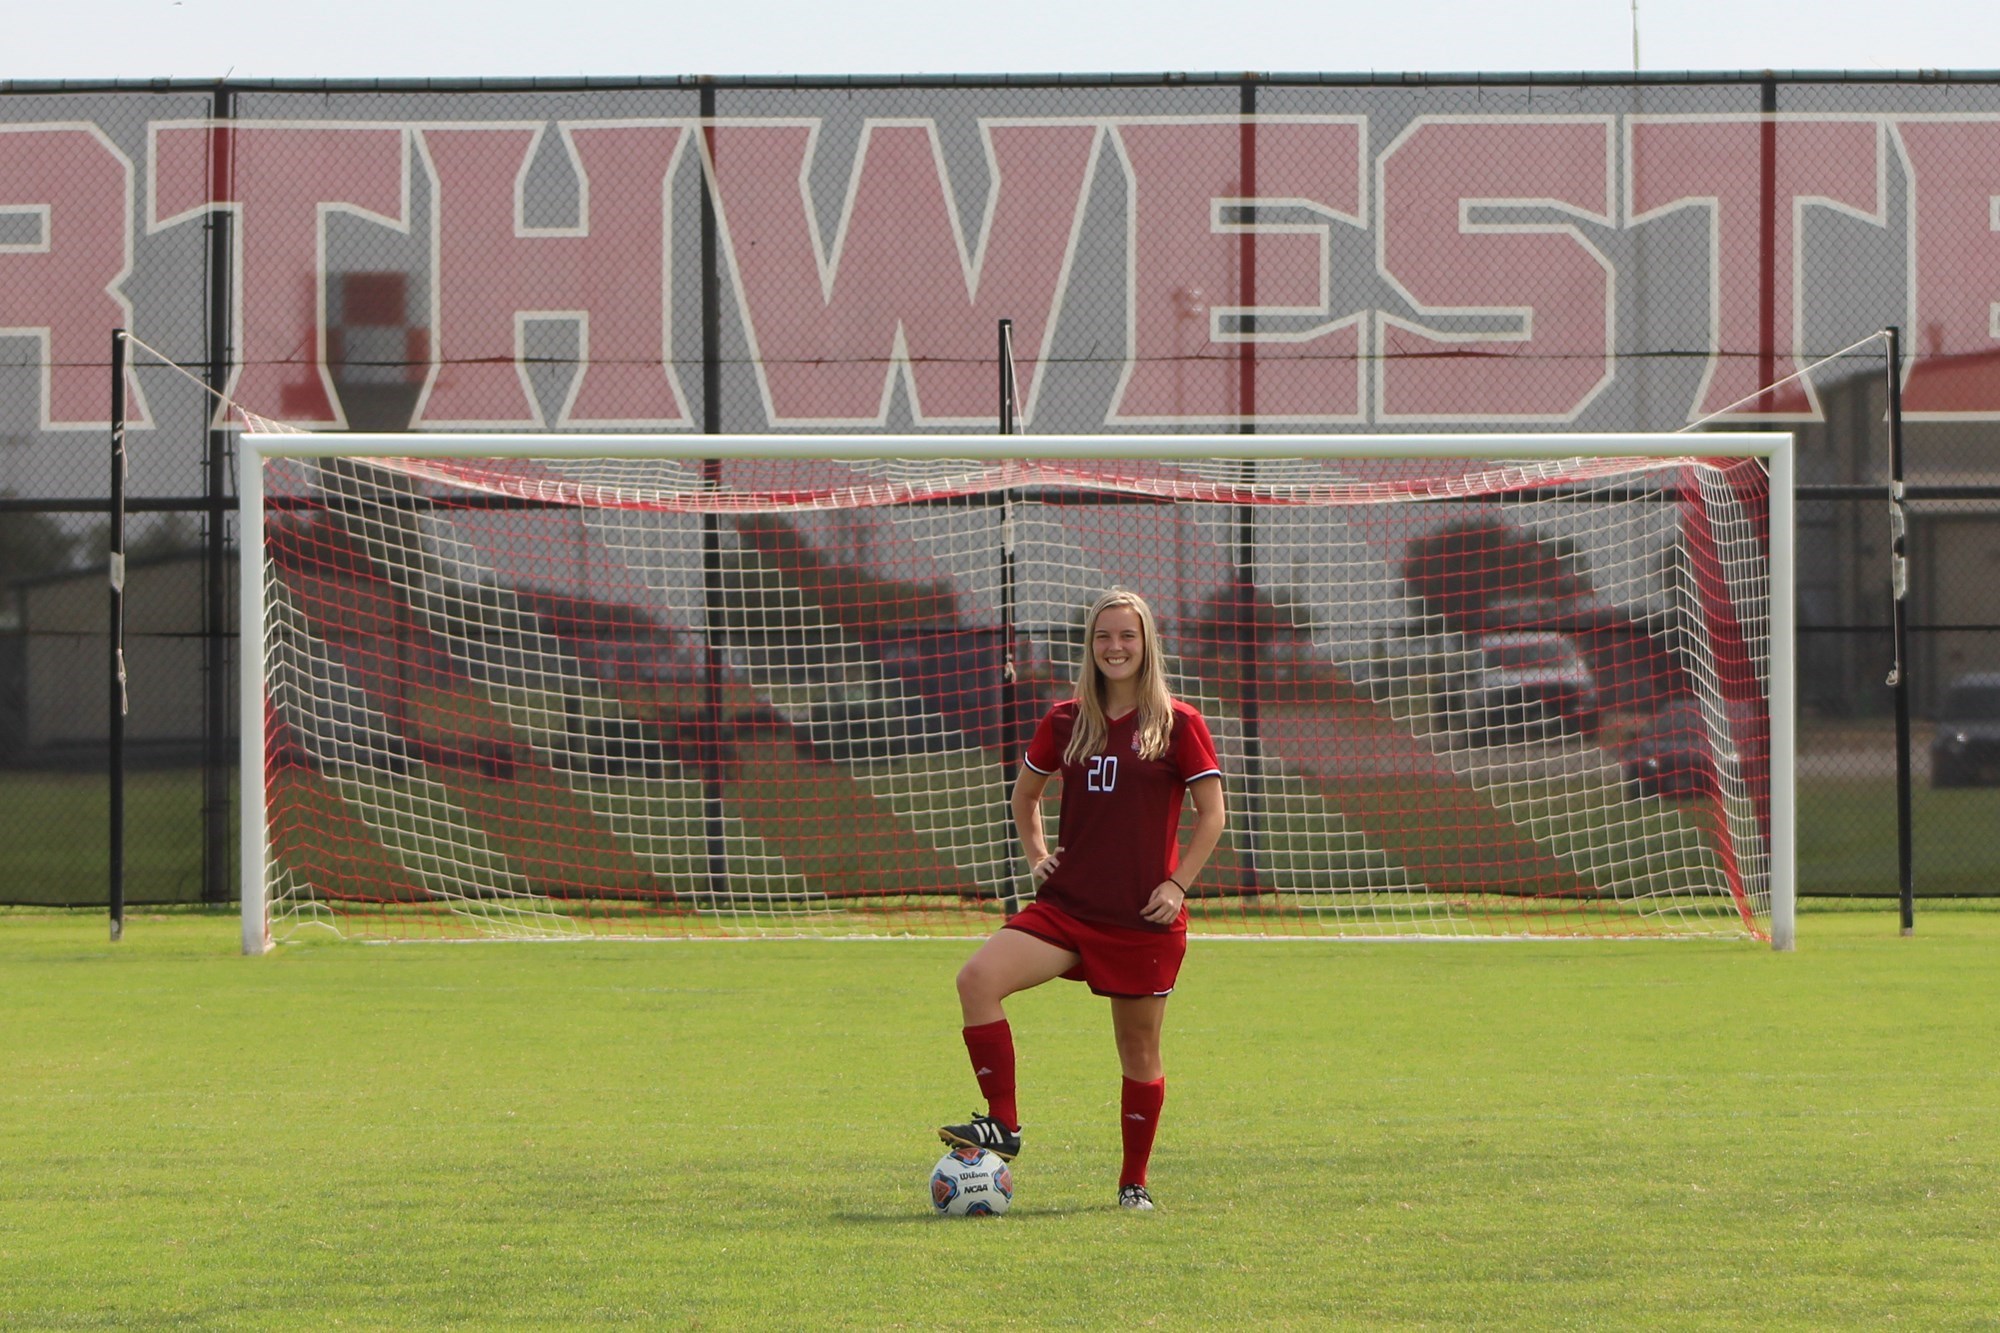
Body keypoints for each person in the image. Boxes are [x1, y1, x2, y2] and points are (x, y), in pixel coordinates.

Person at [938, 588, 1226, 1211]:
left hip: (1142, 919)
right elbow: (1025, 796)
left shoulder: (1179, 723)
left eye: (1127, 636)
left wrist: (1177, 885)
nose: (1114, 647)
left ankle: (1133, 1183)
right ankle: (1004, 1123)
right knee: (976, 980)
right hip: (1067, 908)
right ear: (1090, 646)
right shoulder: (1066, 720)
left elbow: (1212, 815)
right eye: (1103, 636)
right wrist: (1037, 855)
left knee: (1138, 1051)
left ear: (1146, 644)